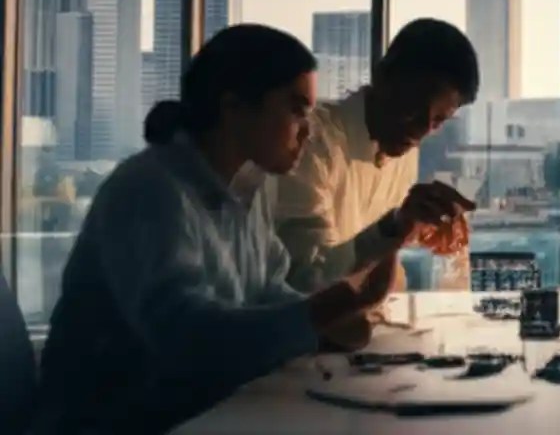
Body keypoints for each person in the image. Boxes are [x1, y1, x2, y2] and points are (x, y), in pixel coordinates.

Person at [31, 25, 463, 434]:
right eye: (296, 110)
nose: (307, 130)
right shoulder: (150, 191)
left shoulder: (244, 195)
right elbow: (186, 340)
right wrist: (327, 310)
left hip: (199, 415)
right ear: (234, 107)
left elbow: (269, 291)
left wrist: (333, 321)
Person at [269, 17, 480, 294]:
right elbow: (304, 277)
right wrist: (393, 229)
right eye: (415, 106)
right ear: (382, 76)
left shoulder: (403, 150)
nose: (421, 130)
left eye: (438, 120)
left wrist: (414, 230)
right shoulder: (308, 143)